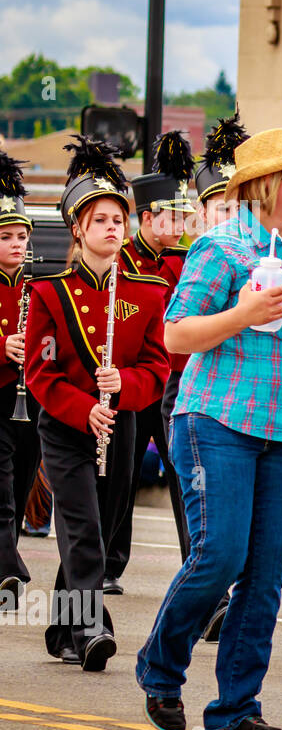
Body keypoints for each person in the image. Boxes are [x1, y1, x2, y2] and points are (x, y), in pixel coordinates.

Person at [135, 127, 282, 730]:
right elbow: (175, 335)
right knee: (220, 555)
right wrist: (242, 315)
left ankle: (235, 710)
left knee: (266, 574)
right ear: (270, 184)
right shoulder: (220, 247)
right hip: (215, 421)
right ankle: (161, 667)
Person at [25, 136, 170, 671]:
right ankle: (91, 625)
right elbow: (40, 373)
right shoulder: (50, 294)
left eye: (119, 219)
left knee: (102, 530)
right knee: (82, 525)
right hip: (66, 425)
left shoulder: (147, 292)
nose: (113, 228)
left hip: (121, 422)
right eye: (101, 220)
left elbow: (157, 366)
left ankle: (63, 627)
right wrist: (82, 406)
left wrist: (125, 385)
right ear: (78, 229)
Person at [105, 130, 196, 596]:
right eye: (173, 215)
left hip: (177, 379)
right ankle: (108, 564)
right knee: (121, 472)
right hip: (132, 379)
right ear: (147, 217)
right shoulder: (119, 259)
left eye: (184, 214)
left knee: (183, 474)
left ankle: (193, 567)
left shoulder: (186, 258)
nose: (181, 223)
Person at [185, 111, 251, 643]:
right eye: (220, 206)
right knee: (213, 536)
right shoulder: (208, 252)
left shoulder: (273, 249)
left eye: (236, 204)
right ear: (201, 210)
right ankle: (209, 597)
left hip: (260, 405)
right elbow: (176, 334)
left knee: (249, 546)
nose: (230, 214)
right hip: (193, 395)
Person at [0, 150, 40, 609]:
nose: (16, 243)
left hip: (29, 401)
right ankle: (10, 570)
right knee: (1, 490)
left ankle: (3, 571)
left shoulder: (35, 289)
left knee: (18, 484)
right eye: (6, 236)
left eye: (20, 236)